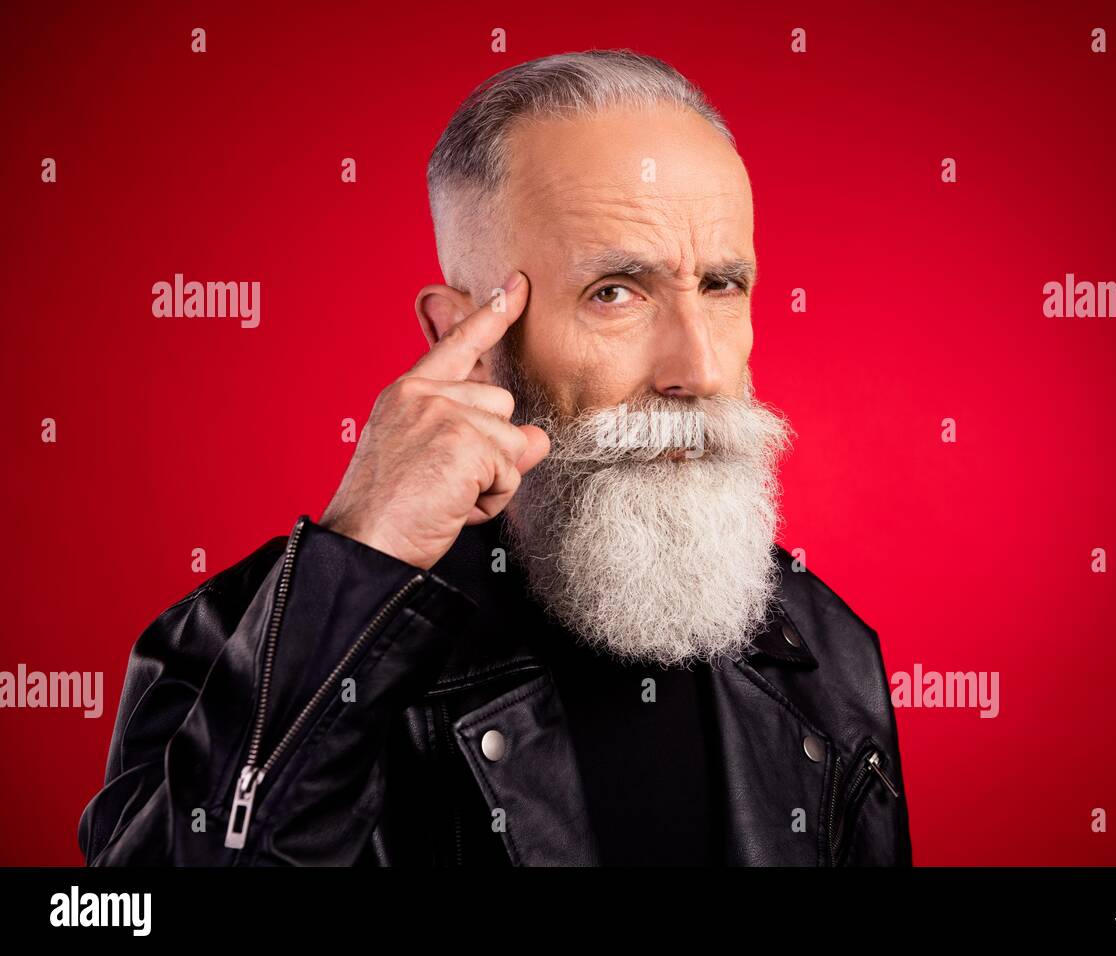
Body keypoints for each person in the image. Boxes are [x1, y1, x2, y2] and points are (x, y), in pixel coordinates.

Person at [78, 48, 912, 867]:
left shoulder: (826, 652)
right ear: (464, 340)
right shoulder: (236, 645)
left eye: (723, 286)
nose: (696, 370)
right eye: (615, 292)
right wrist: (358, 563)